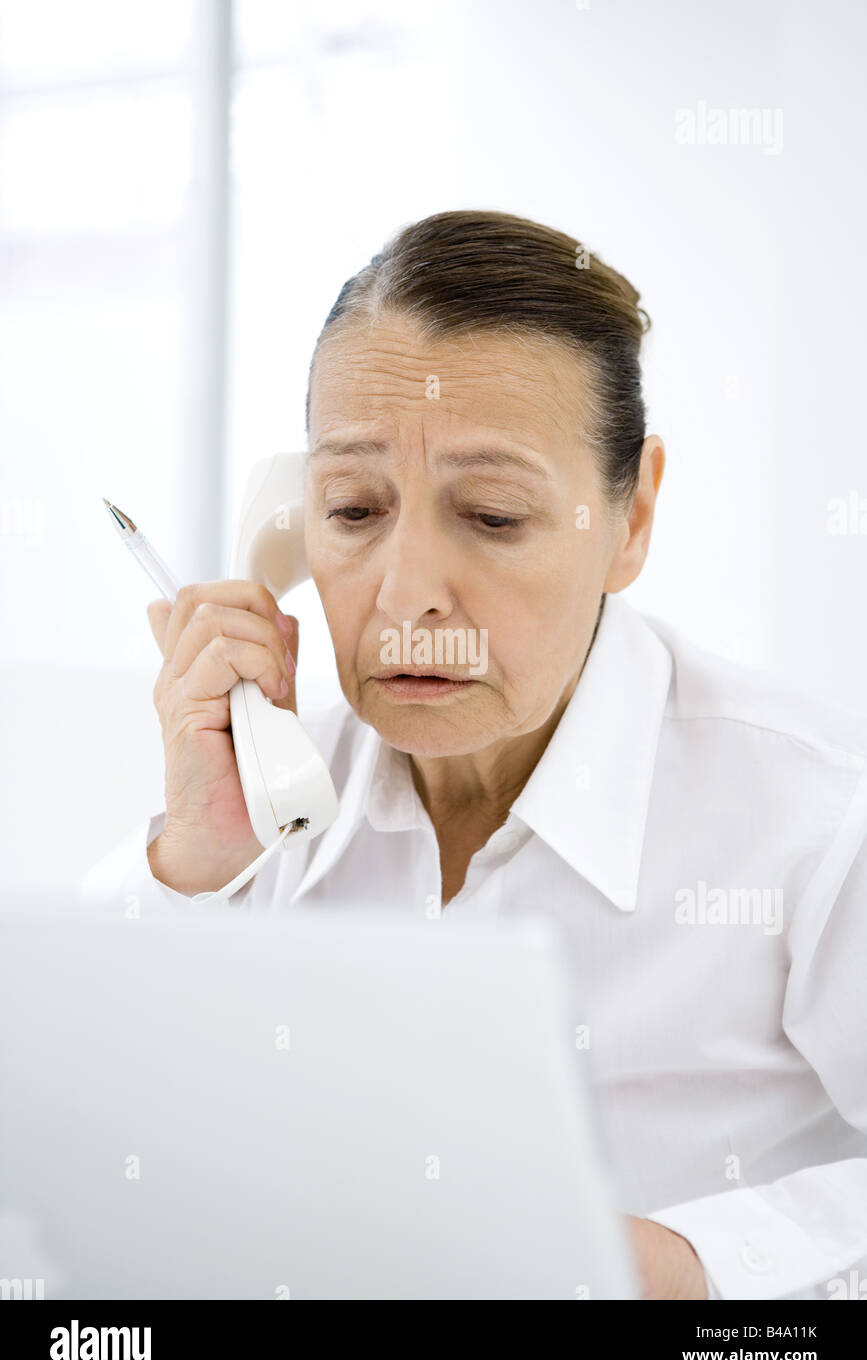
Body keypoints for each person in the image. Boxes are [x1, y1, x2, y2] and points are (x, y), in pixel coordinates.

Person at [81, 209, 867, 1302]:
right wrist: (190, 863)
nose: (406, 597)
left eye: (493, 517)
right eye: (353, 508)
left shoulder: (816, 821)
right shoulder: (271, 804)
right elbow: (74, 1153)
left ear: (630, 517)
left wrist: (693, 1269)